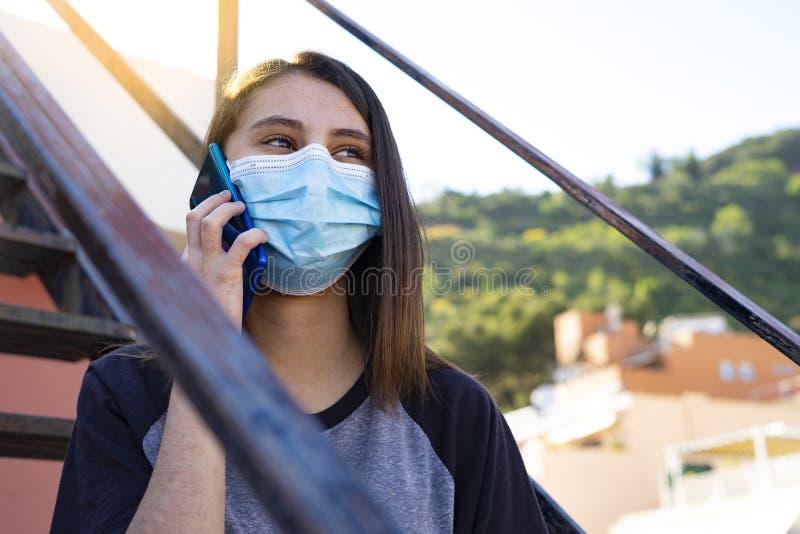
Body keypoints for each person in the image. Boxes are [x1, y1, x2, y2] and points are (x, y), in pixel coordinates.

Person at [50, 51, 548, 533]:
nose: (316, 173)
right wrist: (205, 348)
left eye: (350, 151)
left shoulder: (456, 414)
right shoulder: (123, 392)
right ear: (216, 176)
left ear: (381, 198)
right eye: (281, 141)